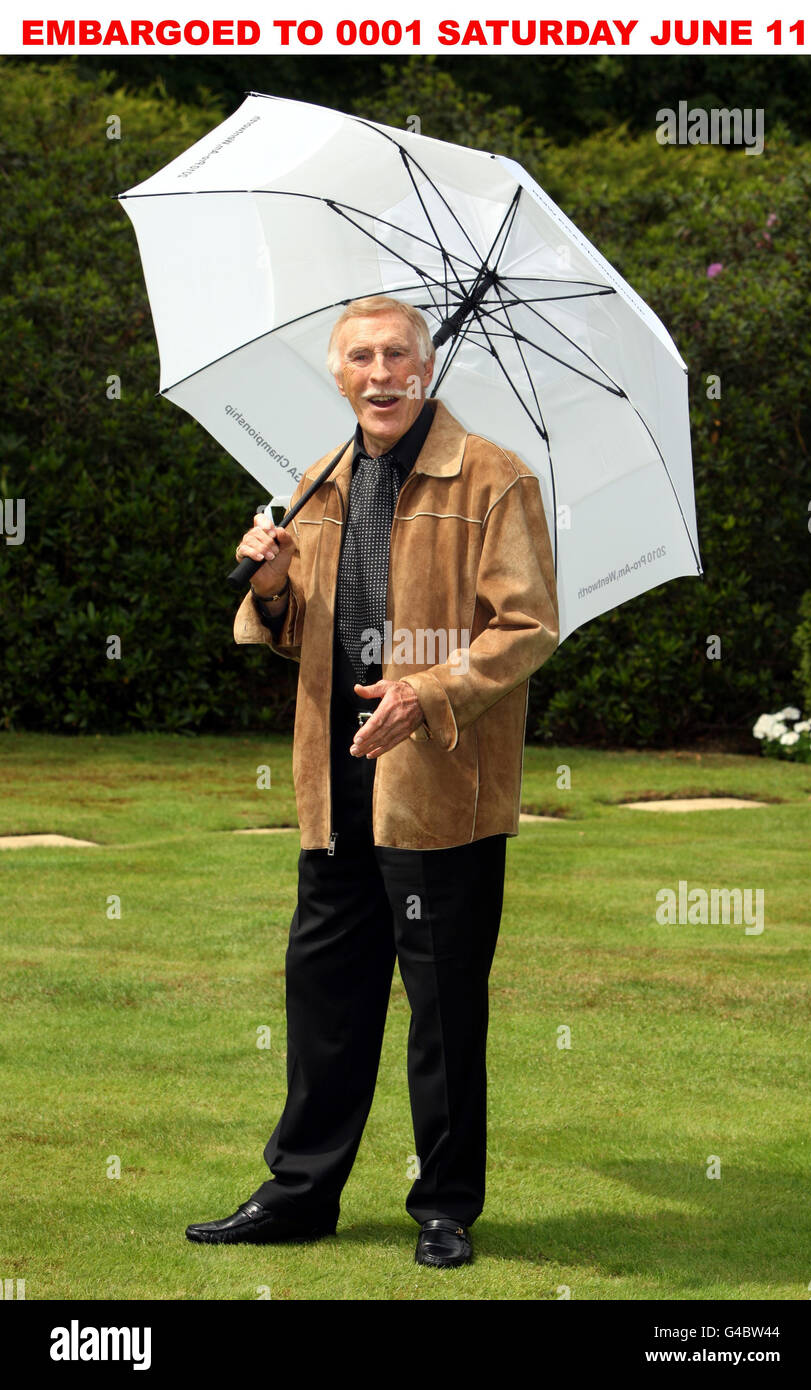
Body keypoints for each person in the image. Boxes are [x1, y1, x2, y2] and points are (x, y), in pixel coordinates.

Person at [185, 295, 559, 1267]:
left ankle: (443, 1206)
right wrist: (268, 584)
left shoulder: (493, 478)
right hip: (335, 790)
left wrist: (424, 690)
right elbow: (302, 627)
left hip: (438, 788)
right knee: (324, 999)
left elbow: (524, 629)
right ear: (339, 373)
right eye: (361, 356)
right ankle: (300, 1191)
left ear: (425, 368)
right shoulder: (317, 482)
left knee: (440, 1007)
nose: (380, 371)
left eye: (397, 353)